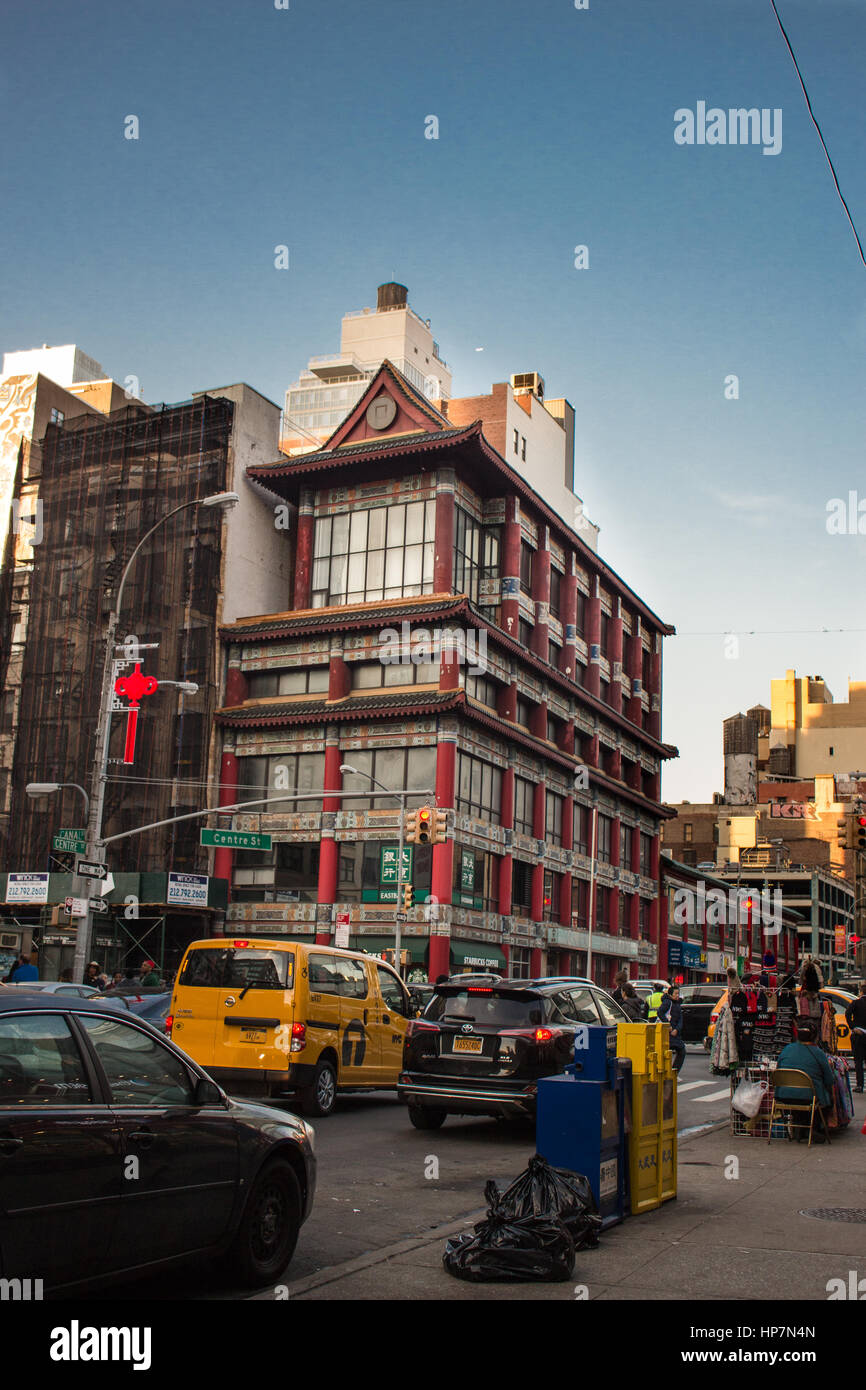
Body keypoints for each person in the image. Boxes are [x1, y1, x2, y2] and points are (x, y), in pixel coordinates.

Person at [775, 1019, 836, 1141]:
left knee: (801, 1093)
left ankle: (800, 1127)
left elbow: (779, 1067)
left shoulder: (787, 1049)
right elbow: (830, 1079)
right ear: (814, 1036)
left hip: (783, 1095)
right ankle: (813, 1129)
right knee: (826, 1095)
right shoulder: (818, 1053)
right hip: (808, 1096)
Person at [658, 984, 686, 1072]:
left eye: (678, 993)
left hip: (675, 1033)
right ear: (670, 995)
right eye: (676, 994)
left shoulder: (677, 1004)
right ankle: (668, 1072)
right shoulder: (667, 1002)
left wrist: (677, 1029)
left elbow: (680, 1019)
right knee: (667, 1053)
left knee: (681, 1051)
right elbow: (660, 1012)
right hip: (667, 1033)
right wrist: (668, 1025)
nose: (677, 995)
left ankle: (673, 1071)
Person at [844, 982, 866, 1093]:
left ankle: (859, 1085)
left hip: (858, 1034)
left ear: (861, 991)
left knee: (858, 1061)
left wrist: (853, 1027)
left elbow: (847, 1014)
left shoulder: (856, 1003)